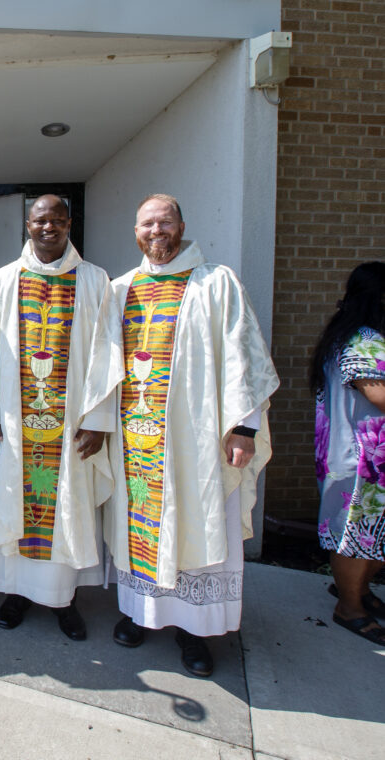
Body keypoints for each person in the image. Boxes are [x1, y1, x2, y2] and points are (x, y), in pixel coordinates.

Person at [87, 194, 279, 677]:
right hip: (136, 440)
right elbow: (101, 366)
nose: (156, 232)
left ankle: (196, 632)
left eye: (165, 222)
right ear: (135, 232)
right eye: (147, 224)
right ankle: (140, 615)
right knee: (138, 527)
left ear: (182, 226)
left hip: (197, 440)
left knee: (197, 524)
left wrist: (244, 427)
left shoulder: (217, 282)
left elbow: (244, 359)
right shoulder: (121, 288)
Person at [0, 195, 118, 641]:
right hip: (16, 425)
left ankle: (63, 599)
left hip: (71, 423)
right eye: (41, 220)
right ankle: (14, 593)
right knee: (16, 498)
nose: (49, 227)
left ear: (70, 224)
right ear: (27, 225)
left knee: (67, 507)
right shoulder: (3, 281)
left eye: (58, 220)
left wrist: (98, 418)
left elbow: (107, 355)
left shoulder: (94, 281)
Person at [310, 262, 385, 645]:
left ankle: (356, 592)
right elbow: (378, 394)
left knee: (367, 535)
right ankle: (349, 608)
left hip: (359, 459)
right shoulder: (363, 339)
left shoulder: (348, 334)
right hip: (362, 463)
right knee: (356, 536)